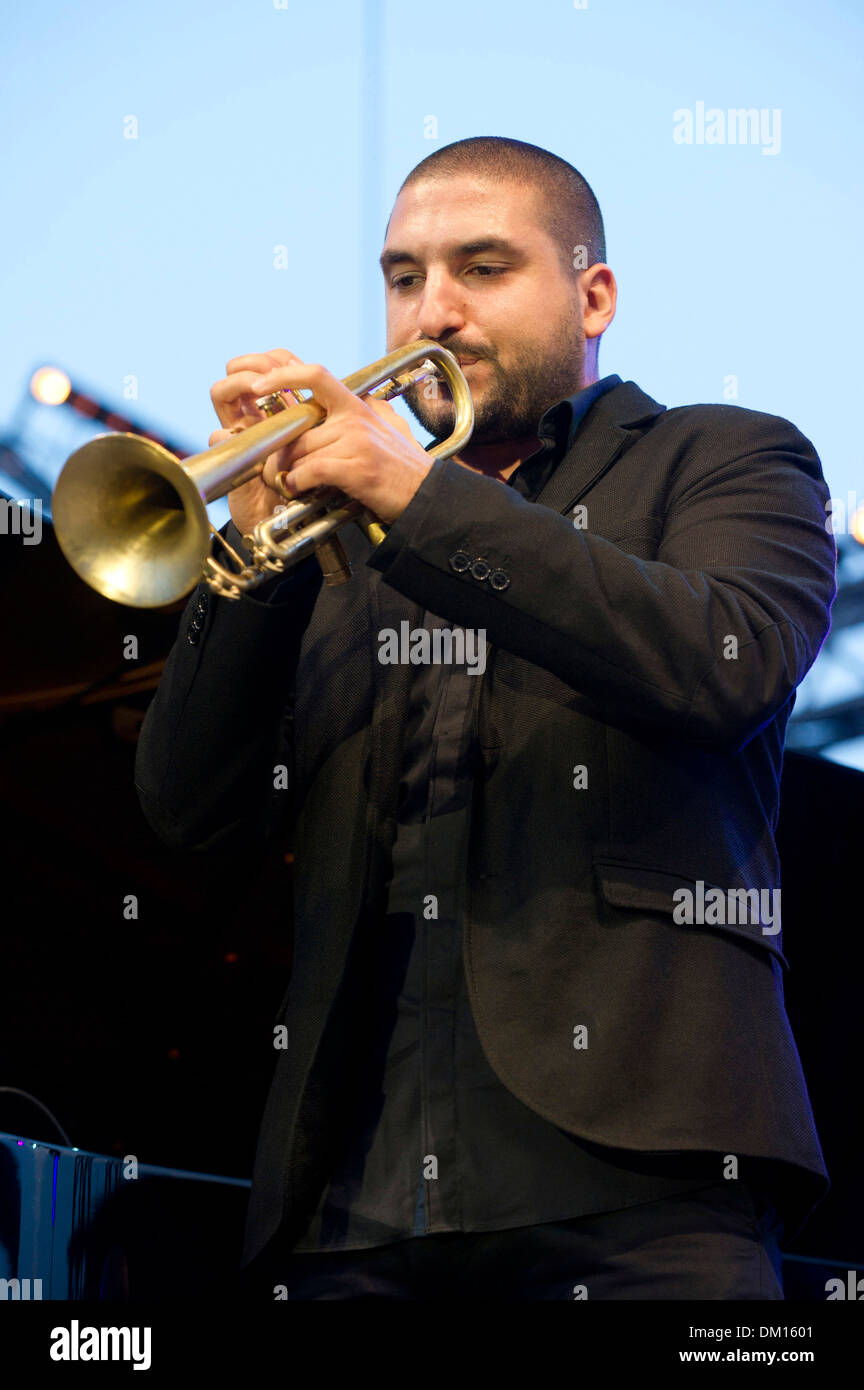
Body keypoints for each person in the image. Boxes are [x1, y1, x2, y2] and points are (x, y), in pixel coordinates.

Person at [134, 135, 837, 1300]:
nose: (431, 314)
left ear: (592, 293)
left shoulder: (722, 455)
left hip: (644, 1193)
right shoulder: (339, 546)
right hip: (350, 1209)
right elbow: (190, 809)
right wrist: (246, 557)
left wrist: (415, 496)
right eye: (404, 277)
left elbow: (725, 661)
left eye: (483, 269)